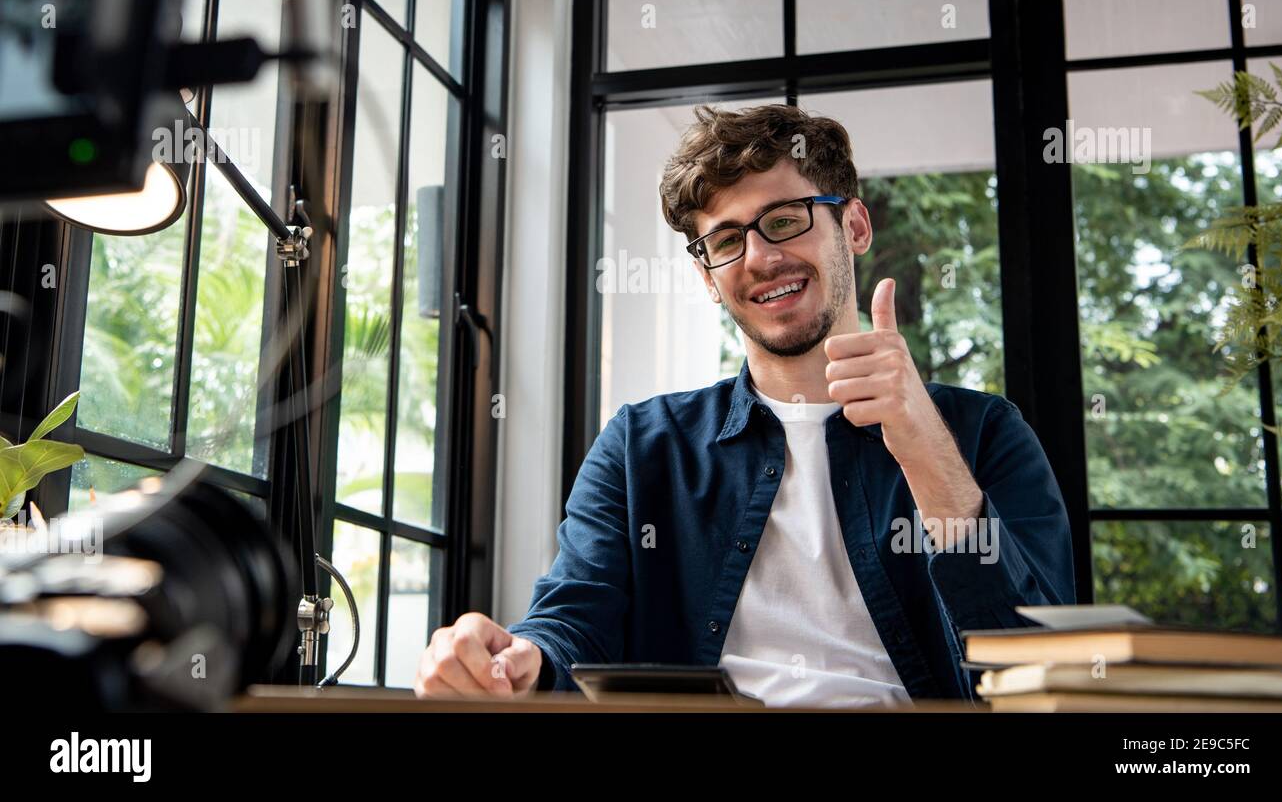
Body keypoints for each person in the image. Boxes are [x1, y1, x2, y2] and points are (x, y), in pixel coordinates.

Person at [415, 103, 1075, 706]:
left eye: (785, 220)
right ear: (707, 275)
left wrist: (927, 452)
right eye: (727, 241)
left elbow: (1037, 672)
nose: (761, 256)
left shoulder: (984, 433)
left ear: (854, 224)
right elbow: (573, 620)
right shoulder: (640, 446)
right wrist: (520, 658)